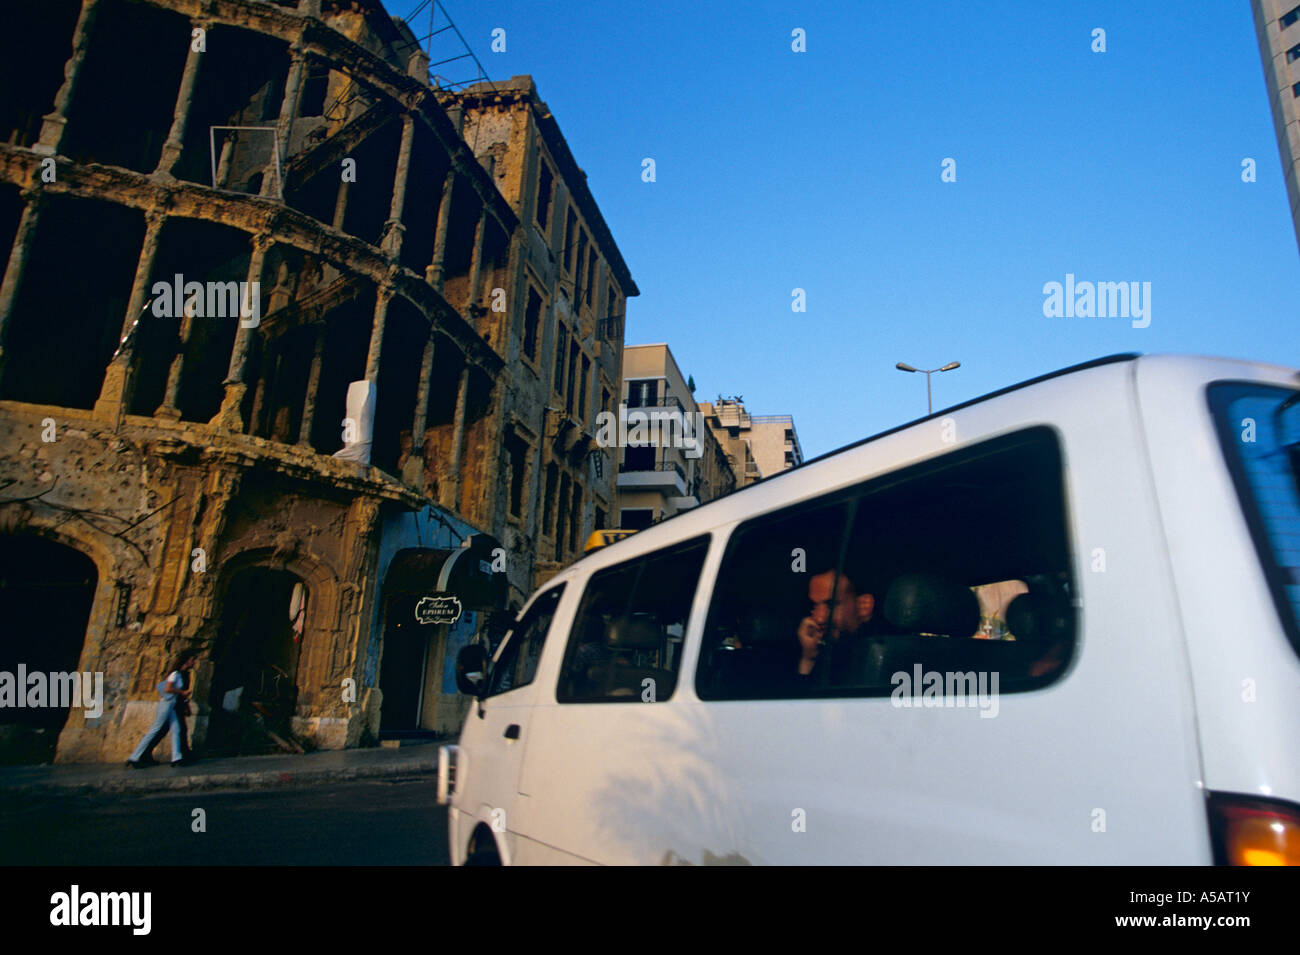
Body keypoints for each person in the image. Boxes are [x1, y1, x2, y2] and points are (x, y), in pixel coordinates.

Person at [795, 569, 876, 679]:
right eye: (814, 606)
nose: (819, 619)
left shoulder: (880, 655)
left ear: (864, 605)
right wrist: (808, 659)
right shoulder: (826, 652)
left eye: (831, 605)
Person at [126, 652, 197, 768]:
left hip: (172, 705)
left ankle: (176, 758)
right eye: (192, 659)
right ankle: (134, 757)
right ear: (186, 661)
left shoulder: (182, 674)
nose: (193, 662)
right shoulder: (175, 674)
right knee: (155, 730)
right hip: (166, 705)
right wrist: (182, 692)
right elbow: (168, 688)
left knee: (176, 730)